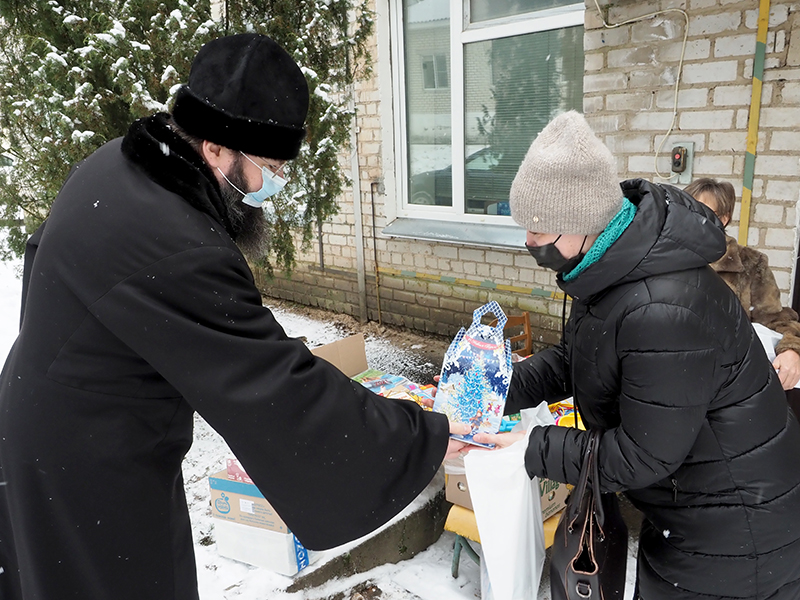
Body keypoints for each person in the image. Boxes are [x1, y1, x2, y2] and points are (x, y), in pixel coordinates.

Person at [0, 34, 469, 600]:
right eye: (268, 166)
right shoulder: (178, 245)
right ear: (218, 147)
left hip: (42, 426)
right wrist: (425, 436)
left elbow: (43, 258)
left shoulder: (118, 164)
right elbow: (278, 388)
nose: (271, 187)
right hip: (88, 466)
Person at [473, 111, 800, 599]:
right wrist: (495, 389)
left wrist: (533, 448)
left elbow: (642, 454)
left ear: (583, 224)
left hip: (738, 530)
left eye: (539, 229)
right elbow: (576, 359)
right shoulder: (611, 267)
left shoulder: (663, 306)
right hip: (692, 508)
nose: (529, 241)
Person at [684, 177, 800, 391]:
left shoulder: (750, 264)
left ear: (724, 219)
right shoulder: (664, 259)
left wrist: (791, 350)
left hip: (728, 386)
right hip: (674, 380)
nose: (692, 218)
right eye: (687, 210)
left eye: (702, 211)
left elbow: (775, 319)